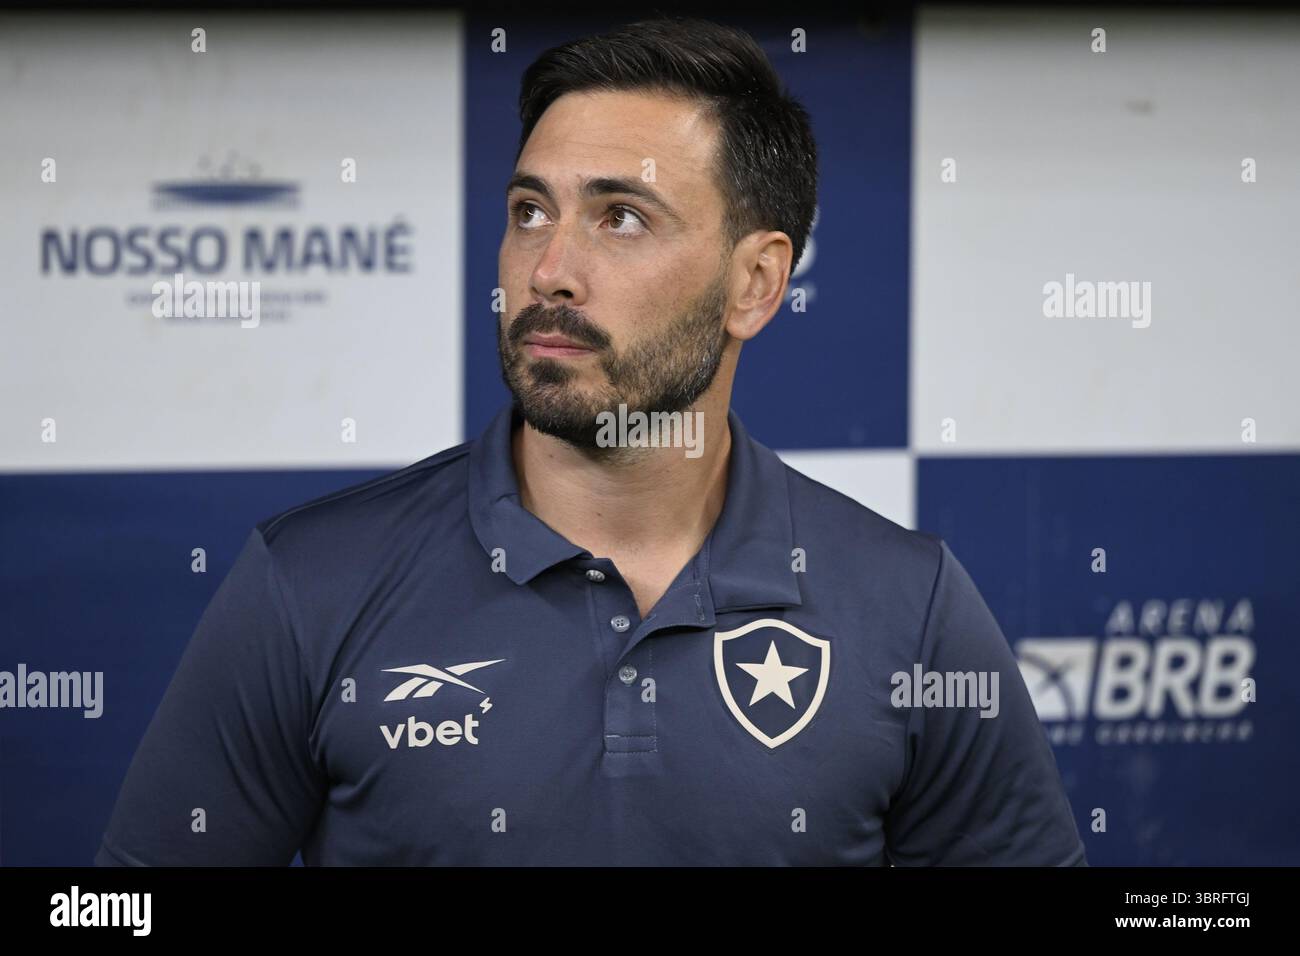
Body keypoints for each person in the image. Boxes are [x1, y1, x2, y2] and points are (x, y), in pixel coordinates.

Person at [96, 16, 1086, 866]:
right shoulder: (307, 583)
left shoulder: (907, 605)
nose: (551, 268)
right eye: (531, 210)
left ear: (756, 282)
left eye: (620, 216)